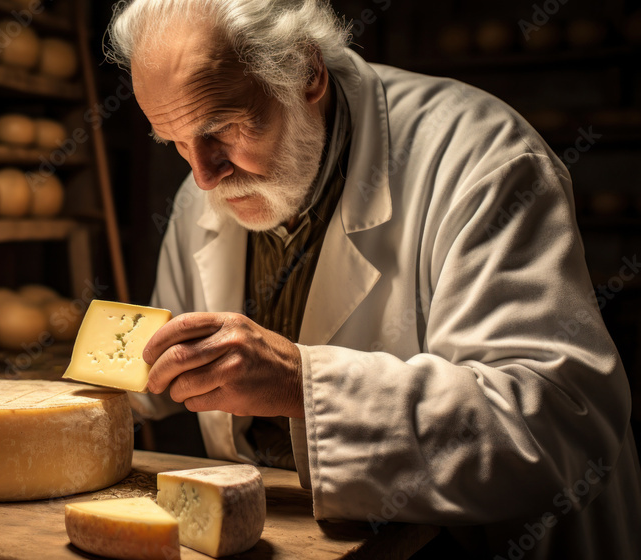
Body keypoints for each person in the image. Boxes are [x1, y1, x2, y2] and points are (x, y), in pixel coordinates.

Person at [105, 0, 641, 558]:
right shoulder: (205, 190)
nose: (204, 176)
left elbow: (559, 426)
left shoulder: (482, 158)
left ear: (304, 70)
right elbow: (161, 365)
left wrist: (301, 385)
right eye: (175, 144)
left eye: (223, 128)